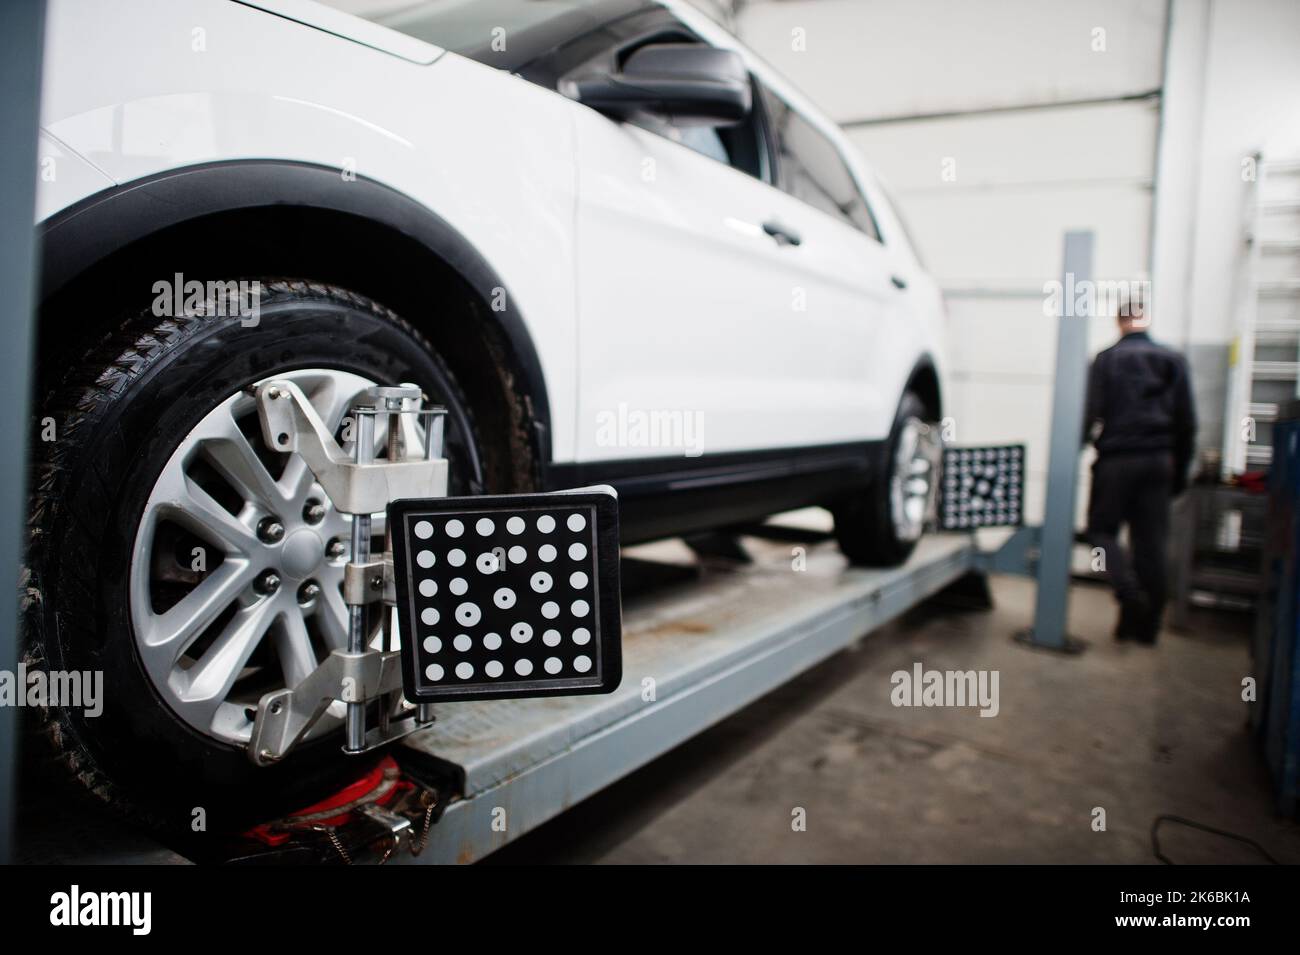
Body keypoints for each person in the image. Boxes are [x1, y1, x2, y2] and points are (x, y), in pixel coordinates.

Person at [1083, 289, 1197, 643]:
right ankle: (1146, 629)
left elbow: (1089, 413)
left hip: (1117, 460)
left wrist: (1079, 444)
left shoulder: (1105, 359)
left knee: (1101, 534)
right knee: (1151, 545)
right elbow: (1187, 422)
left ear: (1119, 322)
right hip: (1159, 461)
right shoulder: (1172, 359)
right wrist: (1178, 475)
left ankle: (1129, 595)